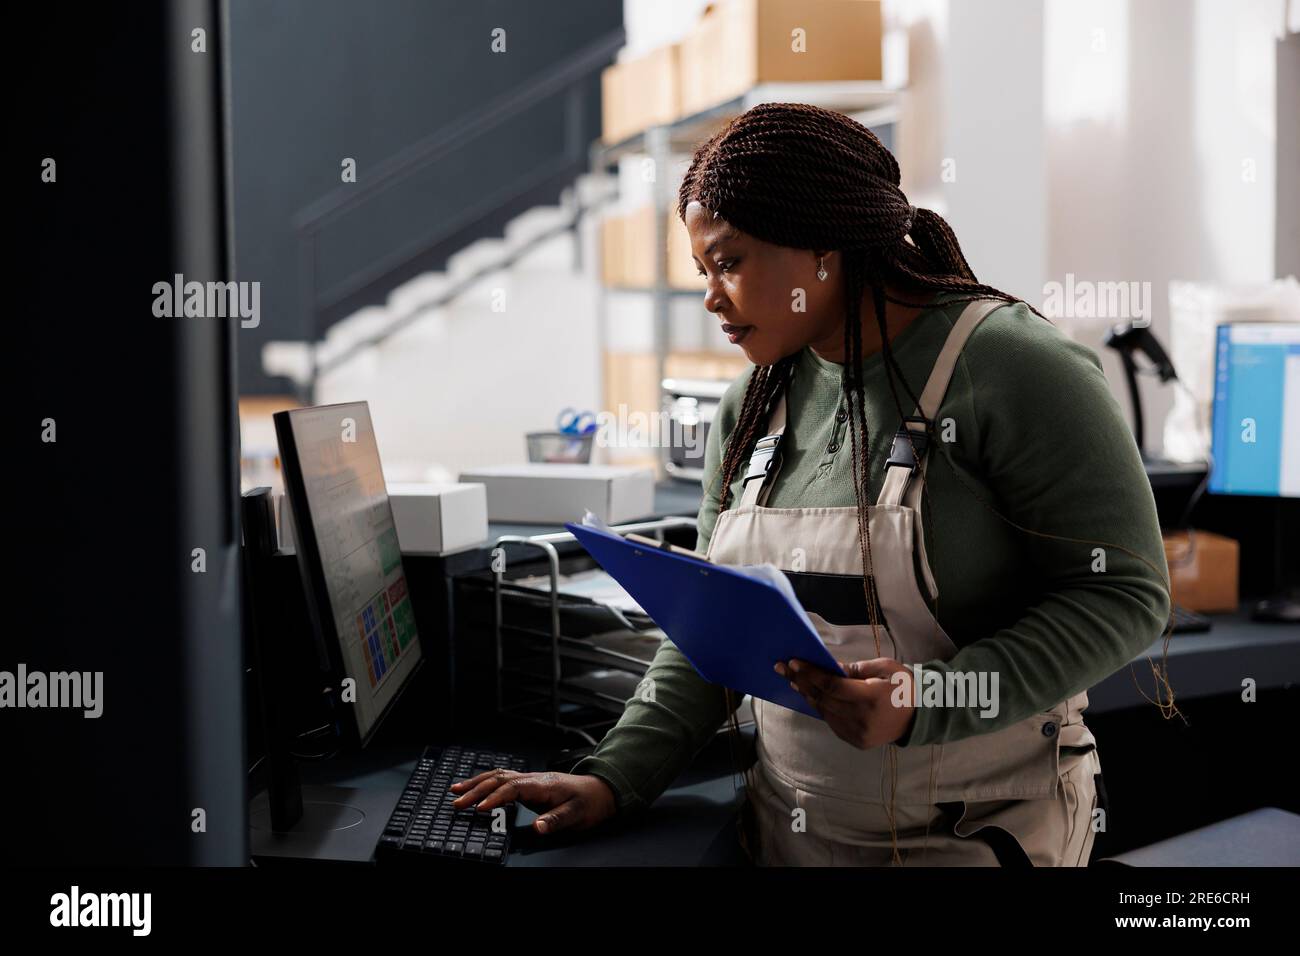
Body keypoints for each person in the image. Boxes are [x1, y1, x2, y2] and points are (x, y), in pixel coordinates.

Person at [449, 102, 1173, 866]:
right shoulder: (754, 404)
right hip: (791, 829)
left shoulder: (1014, 368)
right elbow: (710, 633)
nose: (711, 297)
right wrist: (613, 777)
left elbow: (1125, 595)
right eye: (702, 271)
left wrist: (925, 699)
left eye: (729, 262)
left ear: (825, 242)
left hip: (974, 834)